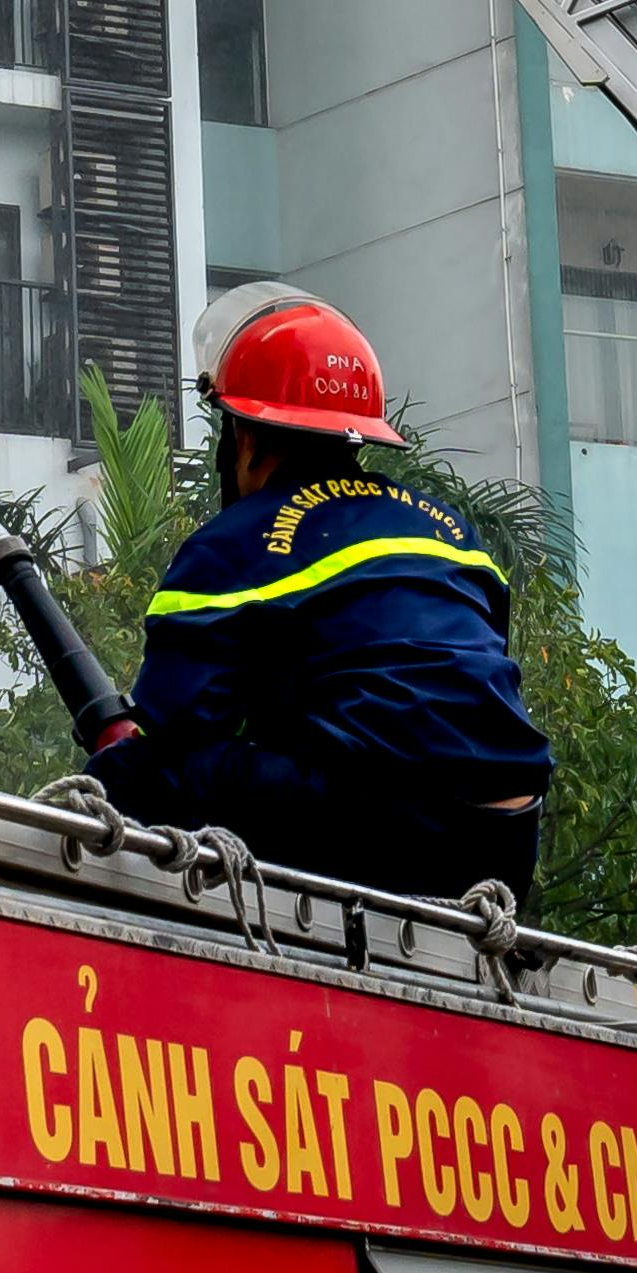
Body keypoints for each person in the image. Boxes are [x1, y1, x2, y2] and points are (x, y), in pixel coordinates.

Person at [102, 285, 556, 901]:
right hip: (504, 840)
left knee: (137, 771)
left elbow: (174, 726)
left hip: (375, 828)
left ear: (247, 438)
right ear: (356, 439)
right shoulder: (453, 532)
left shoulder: (234, 542)